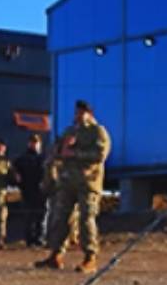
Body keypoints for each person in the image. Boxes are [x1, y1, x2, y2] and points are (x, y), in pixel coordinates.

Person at [38, 100, 111, 273]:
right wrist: (63, 148)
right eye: (76, 112)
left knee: (86, 219)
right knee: (60, 218)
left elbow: (100, 155)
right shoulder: (70, 131)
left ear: (89, 114)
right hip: (67, 181)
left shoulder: (97, 132)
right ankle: (56, 254)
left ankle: (89, 257)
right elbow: (55, 152)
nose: (78, 116)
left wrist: (75, 153)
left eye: (82, 112)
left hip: (87, 183)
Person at [13, 133, 48, 247]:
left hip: (41, 191)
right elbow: (15, 172)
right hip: (28, 190)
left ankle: (40, 238)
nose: (34, 145)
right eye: (32, 142)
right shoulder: (22, 159)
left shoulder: (44, 159)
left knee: (41, 216)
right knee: (29, 216)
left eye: (36, 142)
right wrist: (19, 181)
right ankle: (30, 239)